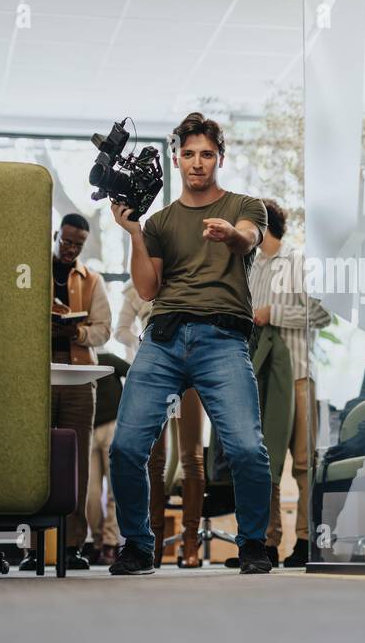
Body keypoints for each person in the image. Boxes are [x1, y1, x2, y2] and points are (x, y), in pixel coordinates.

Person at [107, 112, 273, 575]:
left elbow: (248, 240)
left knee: (245, 447)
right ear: (177, 160)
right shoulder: (159, 221)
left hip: (222, 341)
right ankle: (139, 546)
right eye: (188, 154)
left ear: (220, 157)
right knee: (125, 448)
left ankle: (254, 543)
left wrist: (230, 233)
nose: (197, 163)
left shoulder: (245, 205)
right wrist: (135, 234)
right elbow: (146, 289)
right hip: (162, 340)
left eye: (206, 154)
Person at [21, 213, 111, 571]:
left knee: (75, 465)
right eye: (67, 241)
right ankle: (33, 548)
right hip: (37, 373)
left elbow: (102, 330)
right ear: (56, 235)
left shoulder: (93, 280)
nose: (71, 248)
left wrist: (77, 333)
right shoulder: (32, 273)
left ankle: (73, 545)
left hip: (77, 375)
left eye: (78, 244)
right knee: (34, 461)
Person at [245, 199, 330, 568]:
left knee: (303, 463)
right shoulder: (249, 267)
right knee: (265, 463)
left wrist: (273, 313)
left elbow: (323, 312)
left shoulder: (299, 262)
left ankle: (306, 542)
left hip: (297, 375)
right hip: (259, 379)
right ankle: (266, 542)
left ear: (263, 227)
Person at [116, 282, 206, 567]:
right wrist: (139, 340)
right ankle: (151, 542)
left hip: (191, 370)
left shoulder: (188, 275)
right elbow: (120, 330)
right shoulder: (137, 288)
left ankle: (191, 541)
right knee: (153, 459)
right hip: (155, 369)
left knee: (191, 456)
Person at [87, 351, 130, 565]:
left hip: (112, 426)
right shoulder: (83, 362)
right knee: (91, 494)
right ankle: (99, 542)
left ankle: (109, 543)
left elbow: (134, 373)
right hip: (89, 429)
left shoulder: (108, 360)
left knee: (112, 491)